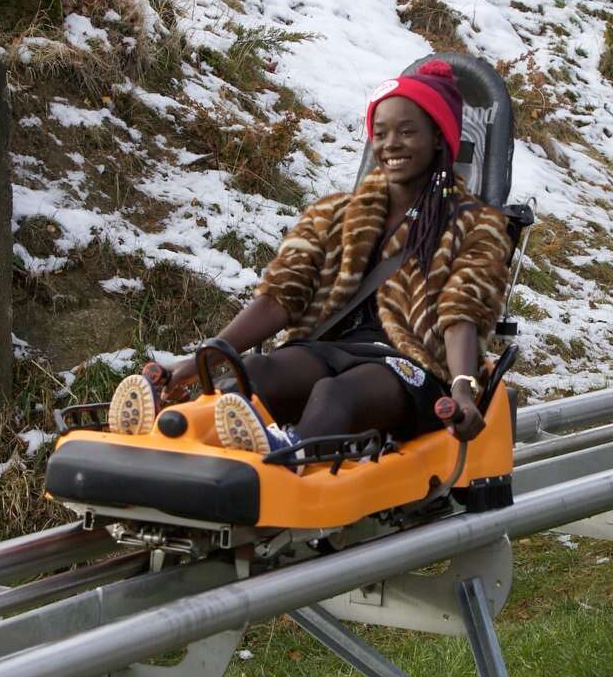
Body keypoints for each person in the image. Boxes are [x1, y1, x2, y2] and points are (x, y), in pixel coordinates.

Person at [108, 60, 512, 453]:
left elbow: (462, 312)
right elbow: (279, 298)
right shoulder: (335, 215)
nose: (391, 144)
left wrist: (463, 387)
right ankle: (173, 434)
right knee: (255, 373)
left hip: (412, 365)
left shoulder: (475, 224)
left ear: (439, 137)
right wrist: (201, 360)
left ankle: (289, 455)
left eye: (407, 132)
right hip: (333, 345)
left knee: (335, 393)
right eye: (382, 132)